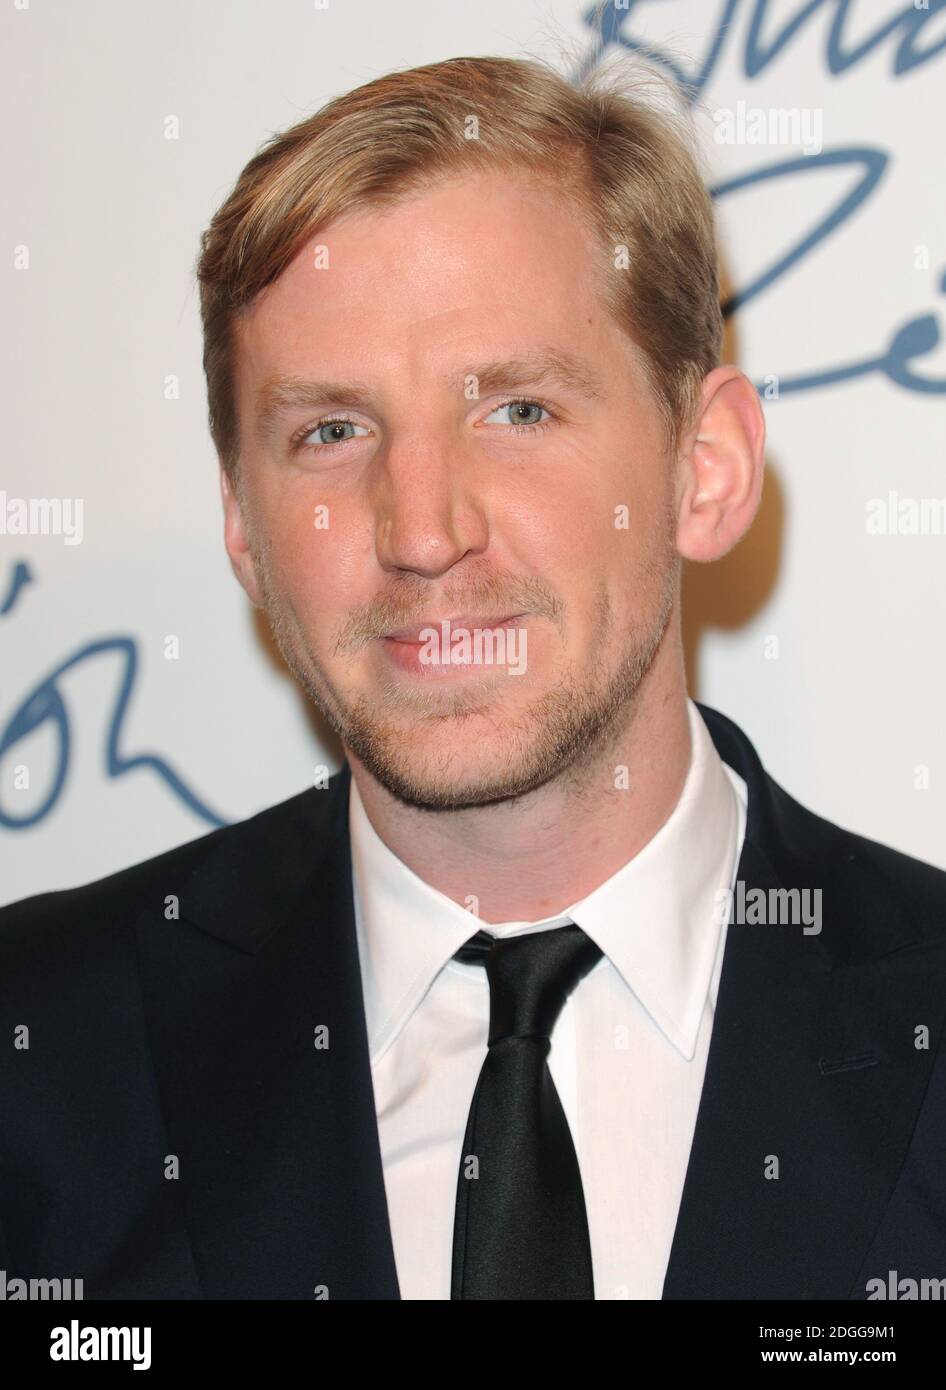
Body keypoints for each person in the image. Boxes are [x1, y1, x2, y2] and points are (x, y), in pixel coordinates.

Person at [2, 54, 945, 1302]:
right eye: (330, 431)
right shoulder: (43, 1055)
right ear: (243, 527)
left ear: (703, 468)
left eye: (515, 410)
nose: (422, 526)